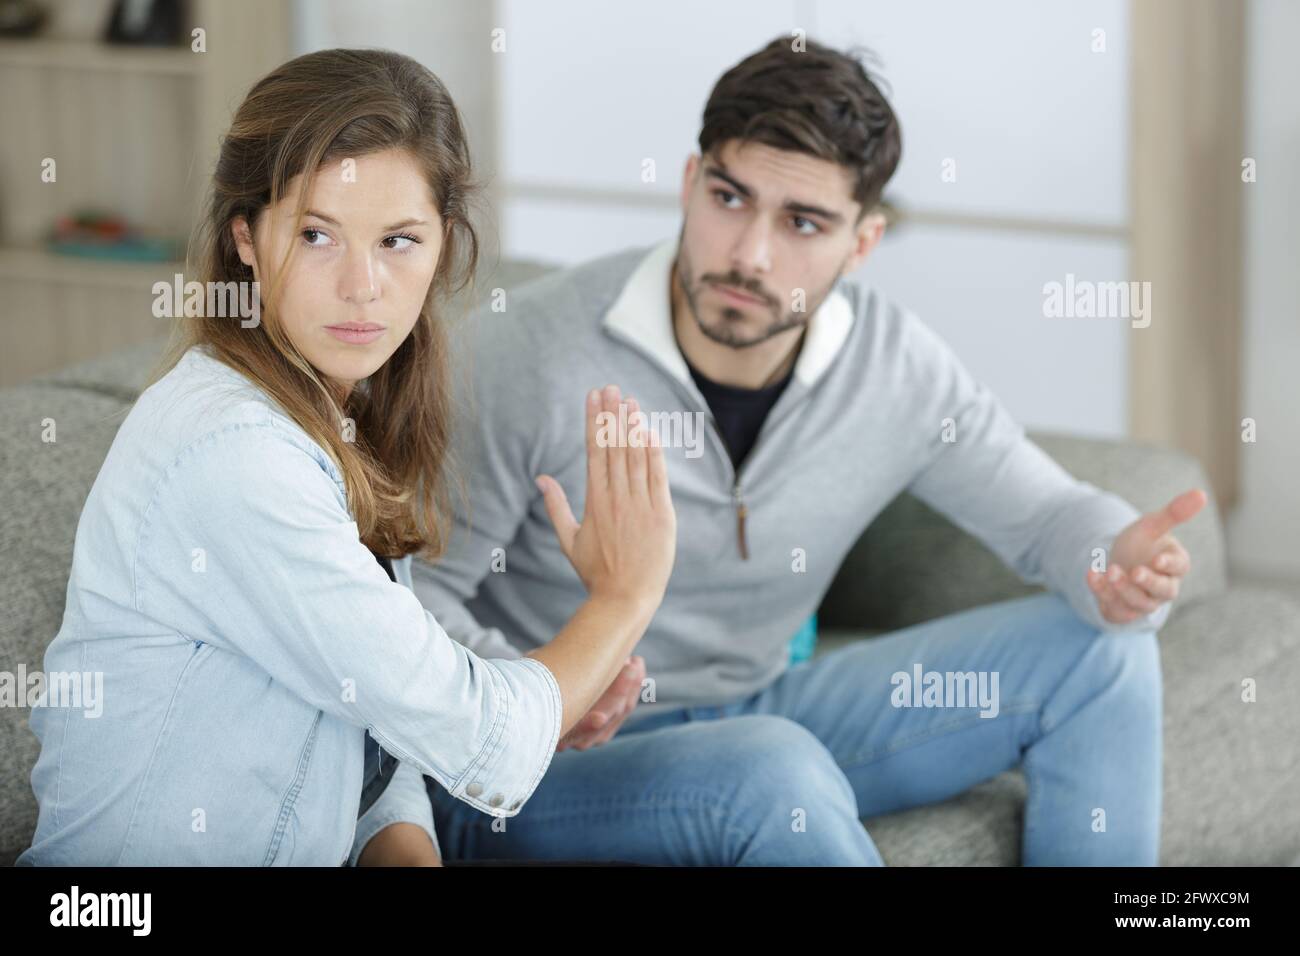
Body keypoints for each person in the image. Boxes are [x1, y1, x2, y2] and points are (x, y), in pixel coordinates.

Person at [411, 36, 1207, 865]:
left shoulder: (895, 369)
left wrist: (1116, 559)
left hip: (758, 706)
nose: (750, 254)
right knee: (770, 769)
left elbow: (1047, 515)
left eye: (802, 223)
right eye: (729, 198)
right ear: (690, 185)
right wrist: (548, 694)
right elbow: (407, 602)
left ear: (861, 244)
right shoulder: (524, 353)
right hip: (539, 768)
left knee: (1103, 655)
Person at [18, 48, 675, 867]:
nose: (363, 285)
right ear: (245, 239)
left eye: (399, 240)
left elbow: (364, 736)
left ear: (444, 248)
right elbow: (481, 736)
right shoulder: (235, 453)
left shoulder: (334, 419)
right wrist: (625, 595)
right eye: (318, 234)